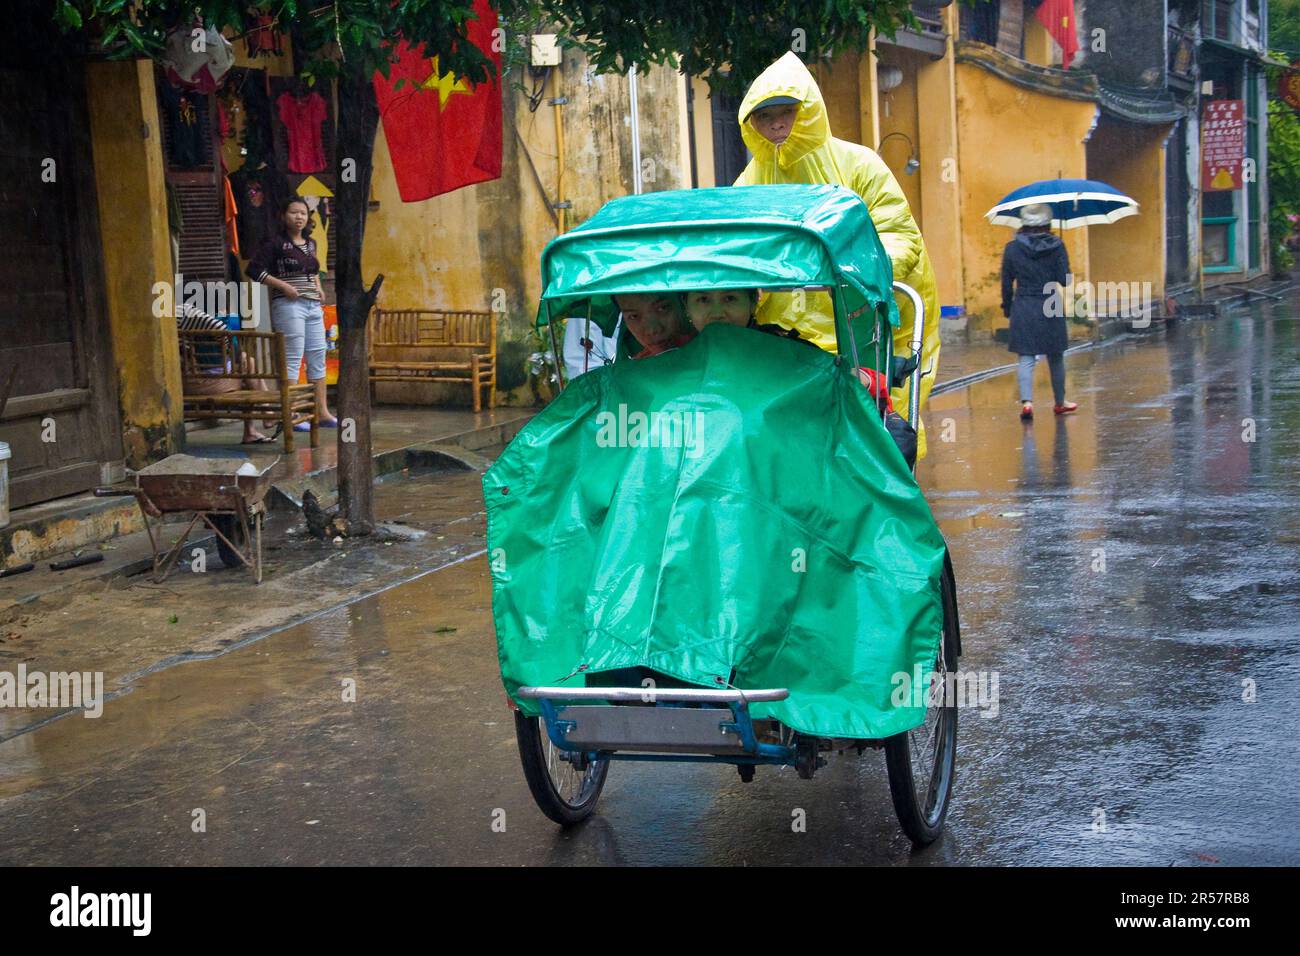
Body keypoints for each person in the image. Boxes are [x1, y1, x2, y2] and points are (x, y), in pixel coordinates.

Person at [734, 52, 941, 459]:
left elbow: (897, 236)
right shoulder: (749, 181)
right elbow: (738, 246)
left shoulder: (859, 164)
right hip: (784, 335)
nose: (776, 124)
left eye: (786, 112)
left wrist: (856, 281)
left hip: (863, 325)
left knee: (872, 433)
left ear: (807, 112)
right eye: (764, 116)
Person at [247, 197, 335, 431]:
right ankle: (292, 412)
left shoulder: (311, 243)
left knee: (318, 356)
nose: (299, 217)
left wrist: (318, 287)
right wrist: (283, 286)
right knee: (293, 359)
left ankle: (322, 411)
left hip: (312, 306)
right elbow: (254, 270)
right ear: (283, 216)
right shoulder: (274, 243)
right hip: (288, 305)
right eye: (294, 212)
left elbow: (313, 270)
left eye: (303, 213)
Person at [1000, 203, 1078, 421]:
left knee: (1026, 356)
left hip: (1024, 303)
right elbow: (1065, 280)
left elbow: (1006, 282)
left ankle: (1027, 403)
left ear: (1023, 224)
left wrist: (1007, 307)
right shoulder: (1057, 245)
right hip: (1050, 302)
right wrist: (1063, 261)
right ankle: (1060, 402)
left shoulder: (1012, 248)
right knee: (1055, 355)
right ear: (1048, 224)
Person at [176, 304, 274, 444]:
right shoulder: (186, 312)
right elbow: (222, 330)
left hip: (186, 381)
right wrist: (233, 353)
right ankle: (267, 413)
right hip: (203, 384)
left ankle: (257, 425)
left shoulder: (169, 318)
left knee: (246, 365)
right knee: (247, 366)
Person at [613, 293, 695, 359]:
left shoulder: (706, 350)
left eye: (662, 308)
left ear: (684, 302)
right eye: (634, 316)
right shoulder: (638, 371)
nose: (652, 330)